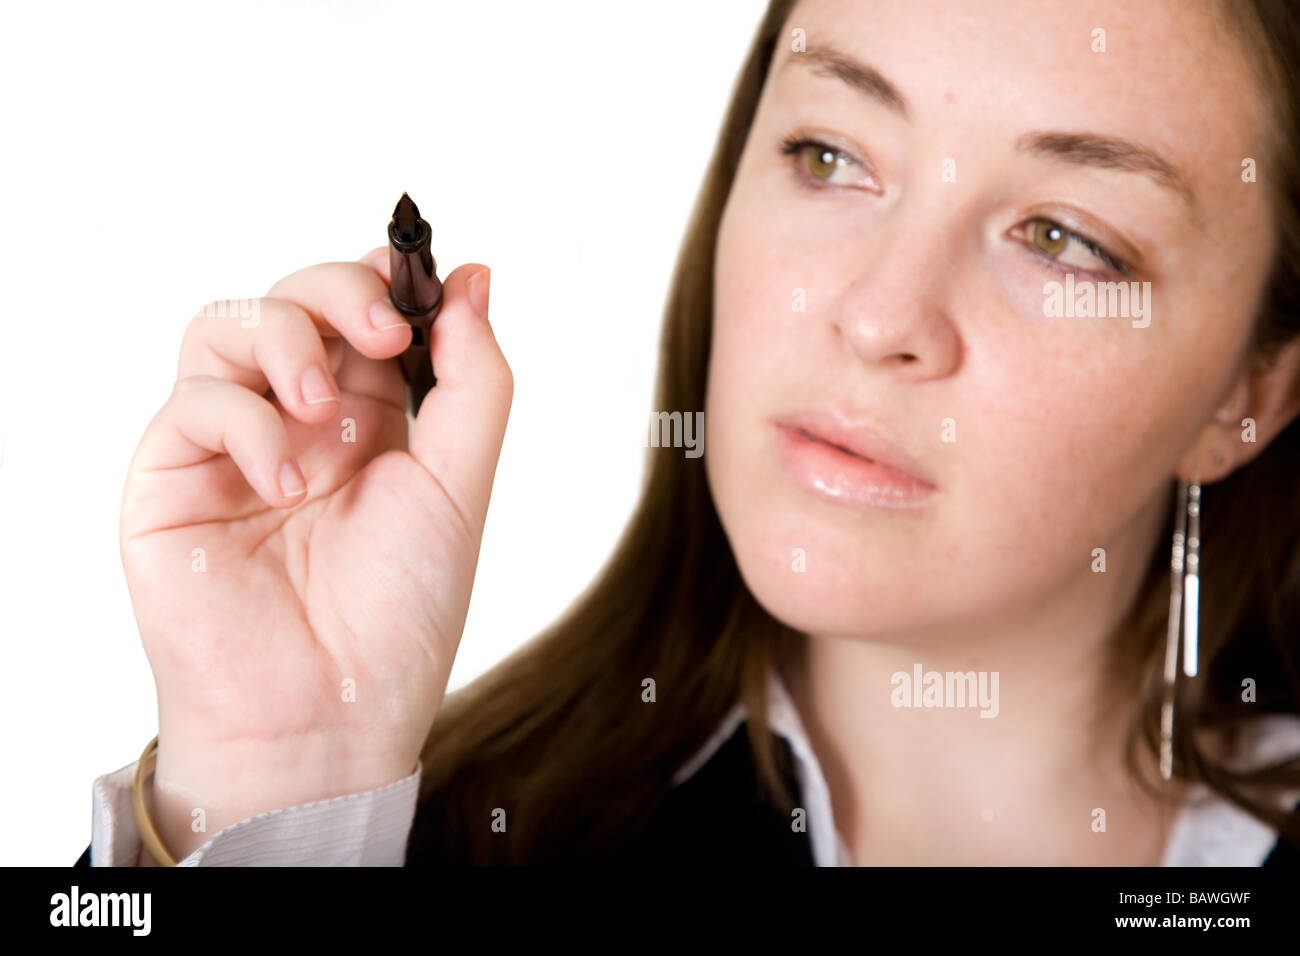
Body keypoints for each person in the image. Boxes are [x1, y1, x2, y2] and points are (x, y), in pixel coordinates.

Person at [77, 0, 1300, 867]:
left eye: (1064, 236)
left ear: (1248, 391)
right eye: (829, 155)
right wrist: (276, 775)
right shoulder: (429, 844)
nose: (877, 314)